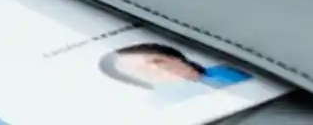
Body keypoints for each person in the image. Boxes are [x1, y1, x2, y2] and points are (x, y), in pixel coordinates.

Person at [98, 43, 251, 96]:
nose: (156, 70)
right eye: (140, 71)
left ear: (177, 59)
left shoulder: (234, 69)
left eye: (157, 61)